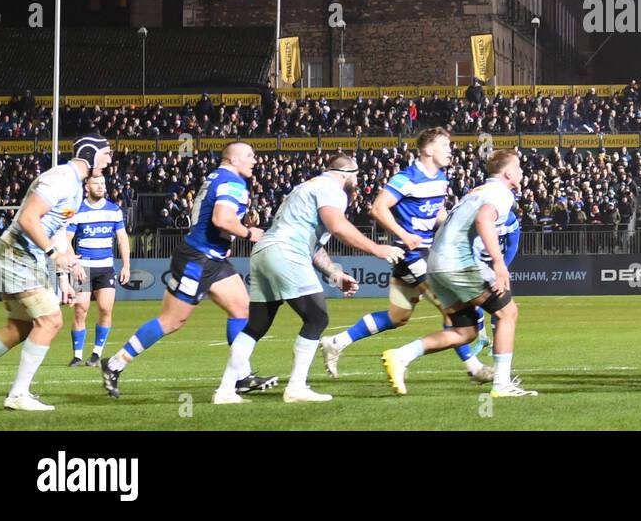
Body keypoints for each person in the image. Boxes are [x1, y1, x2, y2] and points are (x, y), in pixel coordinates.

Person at [215, 155, 403, 404]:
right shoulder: (331, 189)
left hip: (264, 251)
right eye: (355, 177)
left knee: (256, 325)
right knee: (317, 317)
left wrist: (334, 273)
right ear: (346, 173)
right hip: (286, 251)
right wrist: (378, 249)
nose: (356, 183)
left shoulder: (304, 188)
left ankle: (225, 390)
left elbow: (313, 246)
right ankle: (296, 387)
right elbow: (338, 226)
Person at [101, 142, 276, 400]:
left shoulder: (216, 177)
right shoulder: (233, 183)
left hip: (210, 258)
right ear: (235, 159)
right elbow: (222, 219)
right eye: (250, 155)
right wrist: (250, 233)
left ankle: (240, 376)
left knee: (242, 309)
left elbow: (208, 218)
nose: (255, 160)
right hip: (198, 260)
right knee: (171, 321)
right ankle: (115, 364)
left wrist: (223, 241)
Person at [320, 129, 489, 381]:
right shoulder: (405, 178)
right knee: (451, 309)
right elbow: (378, 208)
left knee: (397, 317)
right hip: (411, 255)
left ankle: (336, 341)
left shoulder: (441, 178)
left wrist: (458, 227)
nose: (449, 149)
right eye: (444, 144)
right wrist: (403, 234)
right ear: (428, 149)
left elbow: (437, 214)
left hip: (423, 254)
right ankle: (474, 368)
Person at [380, 150, 536, 397]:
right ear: (508, 173)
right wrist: (498, 262)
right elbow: (484, 220)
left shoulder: (476, 192)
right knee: (507, 312)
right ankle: (502, 384)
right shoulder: (501, 194)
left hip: (435, 264)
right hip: (458, 263)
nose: (521, 173)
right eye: (518, 168)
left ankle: (401, 356)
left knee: (465, 332)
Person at [0, 135, 110, 411]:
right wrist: (56, 255)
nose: (110, 160)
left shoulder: (76, 187)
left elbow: (55, 231)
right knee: (50, 321)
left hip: (24, 256)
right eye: (106, 153)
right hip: (16, 254)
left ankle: (19, 394)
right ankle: (18, 395)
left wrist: (64, 278)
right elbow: (28, 219)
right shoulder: (61, 179)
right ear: (90, 154)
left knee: (19, 327)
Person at [65, 173, 130, 367]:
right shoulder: (77, 210)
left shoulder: (114, 210)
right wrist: (75, 263)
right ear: (87, 186)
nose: (101, 186)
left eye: (103, 183)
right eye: (96, 183)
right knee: (80, 309)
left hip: (105, 268)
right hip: (83, 268)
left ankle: (96, 353)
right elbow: (66, 240)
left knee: (105, 309)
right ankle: (77, 355)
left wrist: (126, 265)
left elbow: (122, 239)